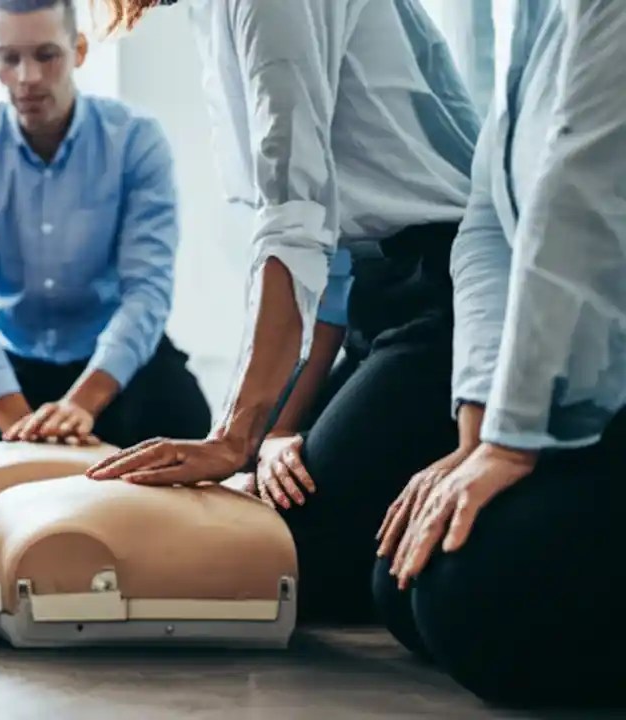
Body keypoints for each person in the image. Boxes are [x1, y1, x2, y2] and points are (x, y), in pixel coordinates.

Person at [85, 0, 481, 623]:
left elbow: (294, 227)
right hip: (373, 305)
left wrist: (230, 437)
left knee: (295, 559)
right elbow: (329, 265)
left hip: (452, 297)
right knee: (265, 501)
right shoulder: (212, 13)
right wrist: (266, 437)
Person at [371, 0, 626, 708]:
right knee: (403, 575)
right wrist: (477, 437)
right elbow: (488, 224)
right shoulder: (535, 19)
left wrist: (512, 447)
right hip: (585, 389)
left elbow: (581, 203)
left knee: (469, 599)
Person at [0, 0, 211, 507]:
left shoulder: (136, 141)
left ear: (79, 50)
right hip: (17, 375)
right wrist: (18, 429)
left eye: (46, 55)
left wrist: (82, 405)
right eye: (10, 58)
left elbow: (147, 292)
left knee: (188, 432)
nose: (26, 77)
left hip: (119, 366)